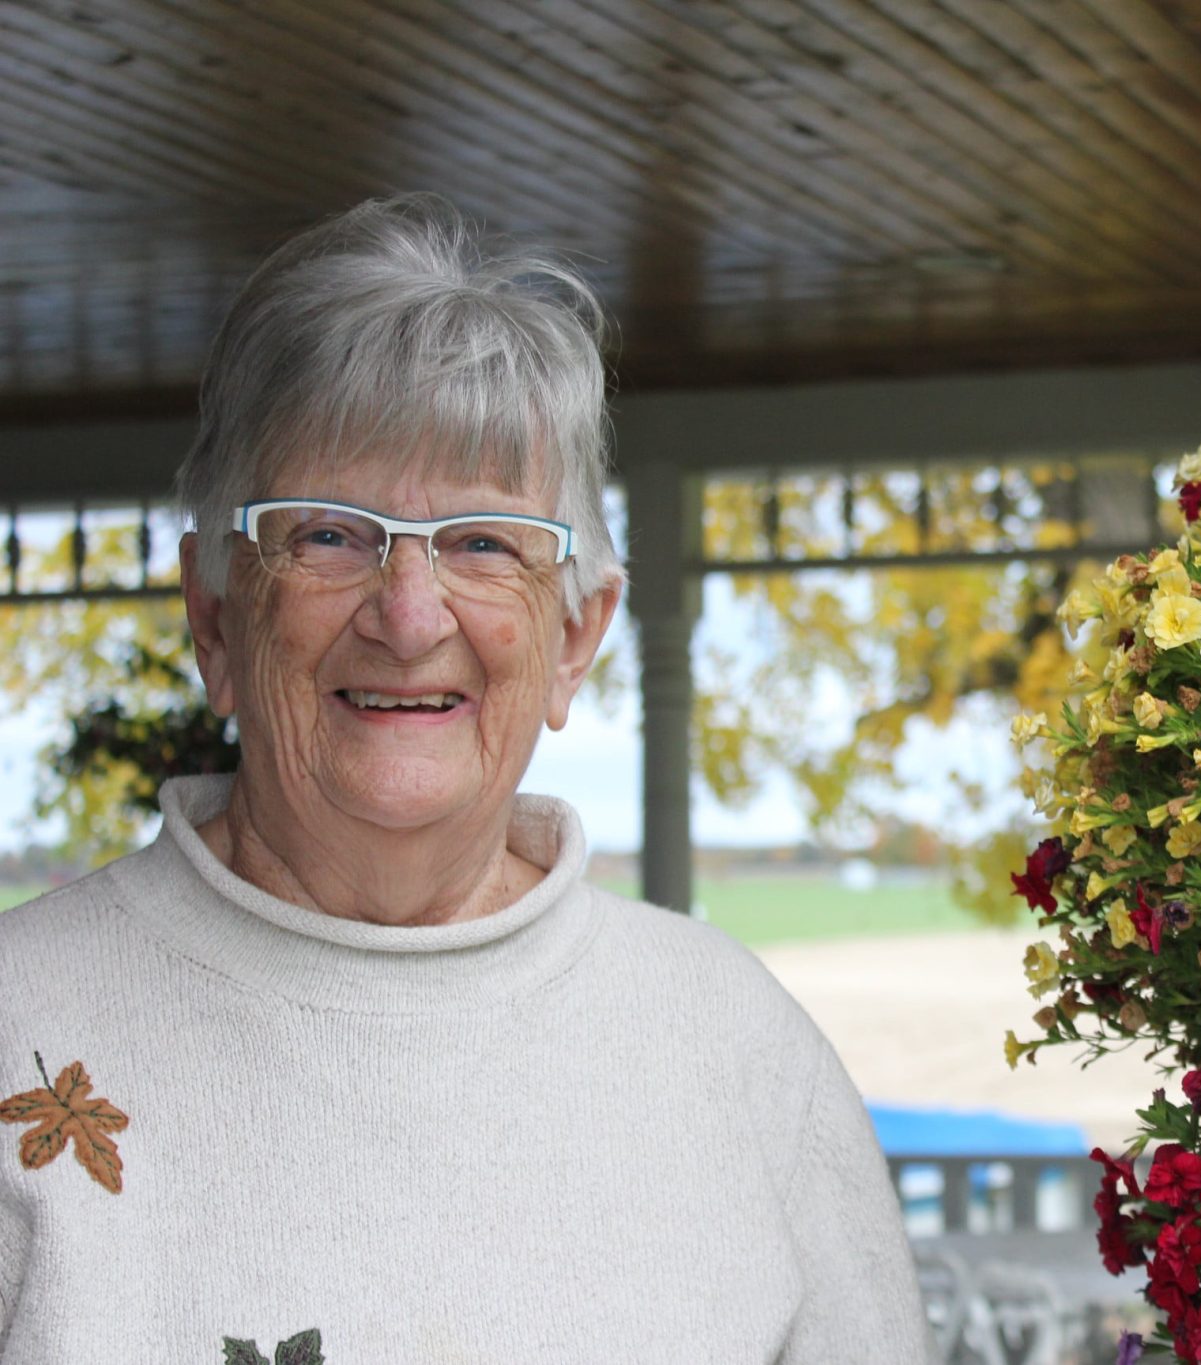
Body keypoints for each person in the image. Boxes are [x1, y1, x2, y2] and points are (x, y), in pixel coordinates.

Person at [0, 194, 937, 1362]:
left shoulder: (731, 1049)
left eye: (485, 542)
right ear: (216, 614)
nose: (408, 615)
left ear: (577, 634)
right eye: (329, 534)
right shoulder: (19, 1028)